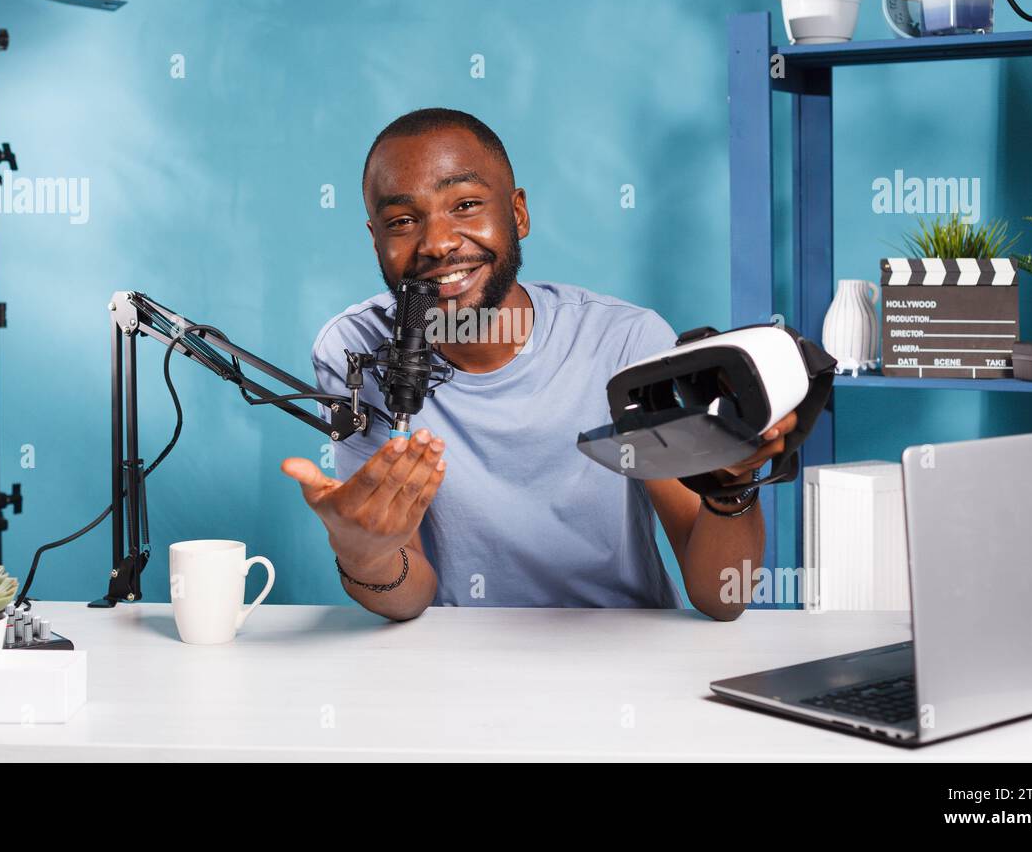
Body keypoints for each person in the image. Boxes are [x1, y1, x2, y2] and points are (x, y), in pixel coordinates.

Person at [281, 108, 797, 621]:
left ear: (518, 214)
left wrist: (731, 488)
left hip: (619, 651)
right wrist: (365, 555)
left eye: (465, 205)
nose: (437, 243)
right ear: (376, 239)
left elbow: (721, 597)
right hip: (451, 654)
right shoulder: (357, 350)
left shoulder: (625, 341)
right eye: (402, 221)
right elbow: (407, 596)